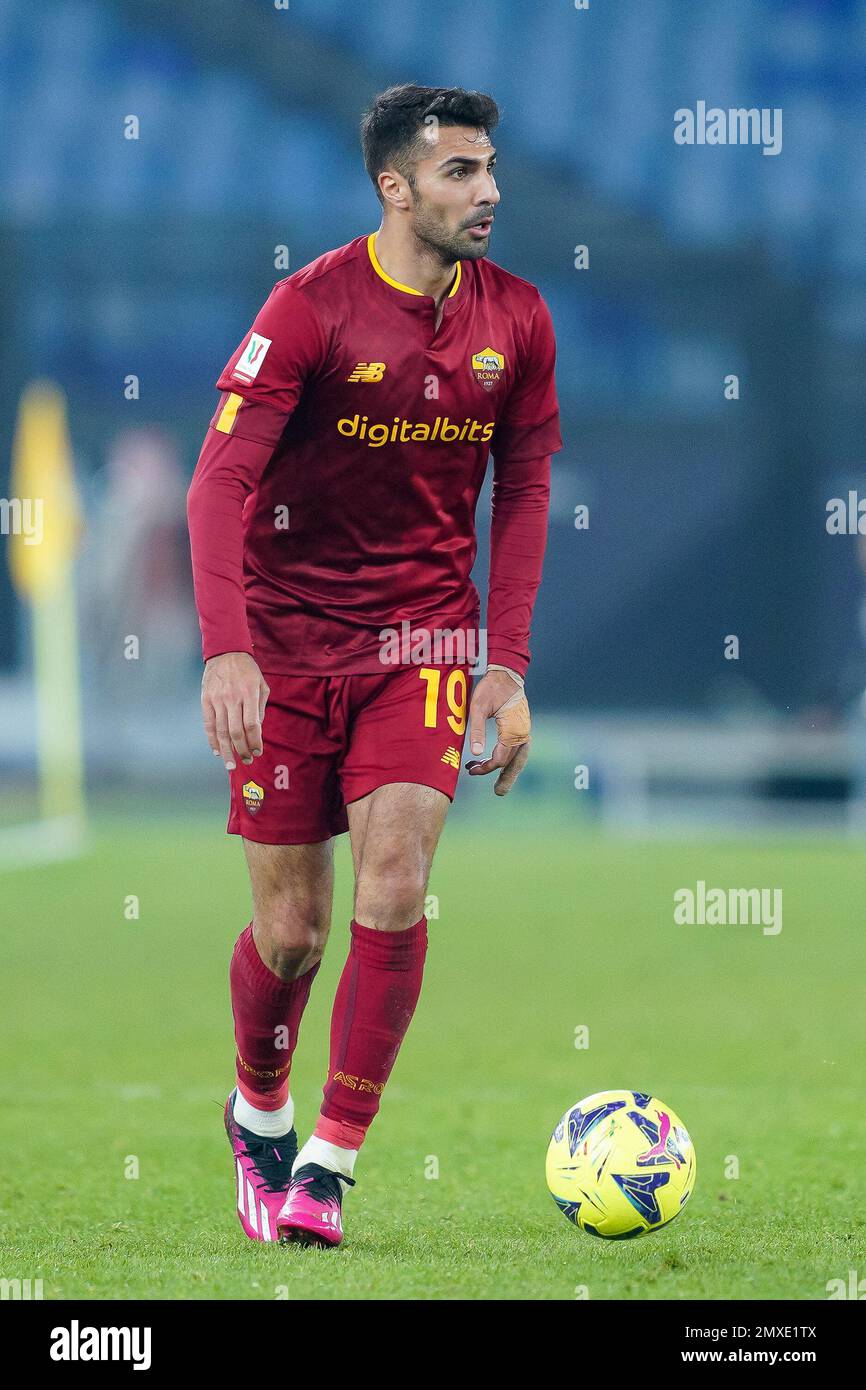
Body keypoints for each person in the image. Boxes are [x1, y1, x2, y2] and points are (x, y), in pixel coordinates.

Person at [187, 84, 561, 1246]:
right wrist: (227, 650)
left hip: (423, 643)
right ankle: (259, 1110)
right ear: (394, 188)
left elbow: (525, 489)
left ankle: (329, 1164)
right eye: (459, 171)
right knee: (293, 931)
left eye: (489, 167)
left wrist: (505, 662)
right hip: (288, 644)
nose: (488, 190)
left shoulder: (519, 319)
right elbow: (218, 486)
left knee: (394, 882)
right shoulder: (308, 309)